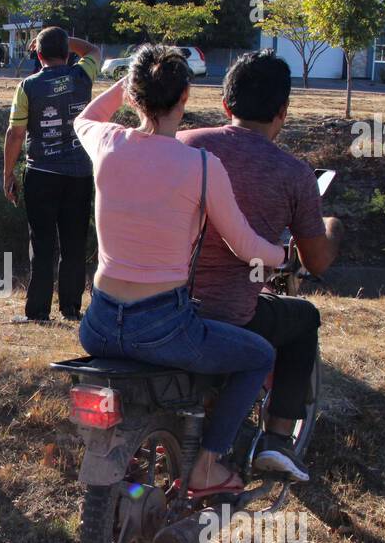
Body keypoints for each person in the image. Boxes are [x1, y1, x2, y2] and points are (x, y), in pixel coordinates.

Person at [73, 45, 287, 496]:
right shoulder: (201, 167)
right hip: (164, 328)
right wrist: (283, 255)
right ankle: (207, 465)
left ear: (132, 96)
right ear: (186, 96)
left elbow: (85, 116)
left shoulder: (106, 142)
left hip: (98, 326)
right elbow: (244, 245)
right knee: (260, 355)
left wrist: (127, 84)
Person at [178, 51, 343, 481]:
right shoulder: (293, 173)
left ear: (226, 105)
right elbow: (317, 261)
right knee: (304, 317)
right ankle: (276, 439)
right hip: (233, 313)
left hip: (167, 305)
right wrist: (332, 226)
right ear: (282, 113)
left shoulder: (184, 145)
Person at [3, 26, 102, 322]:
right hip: (79, 175)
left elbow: (15, 133)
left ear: (38, 53)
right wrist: (67, 41)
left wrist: (8, 173)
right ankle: (71, 308)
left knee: (42, 244)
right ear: (67, 53)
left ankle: (38, 312)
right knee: (74, 243)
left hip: (41, 174)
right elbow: (95, 50)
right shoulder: (82, 76)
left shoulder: (28, 86)